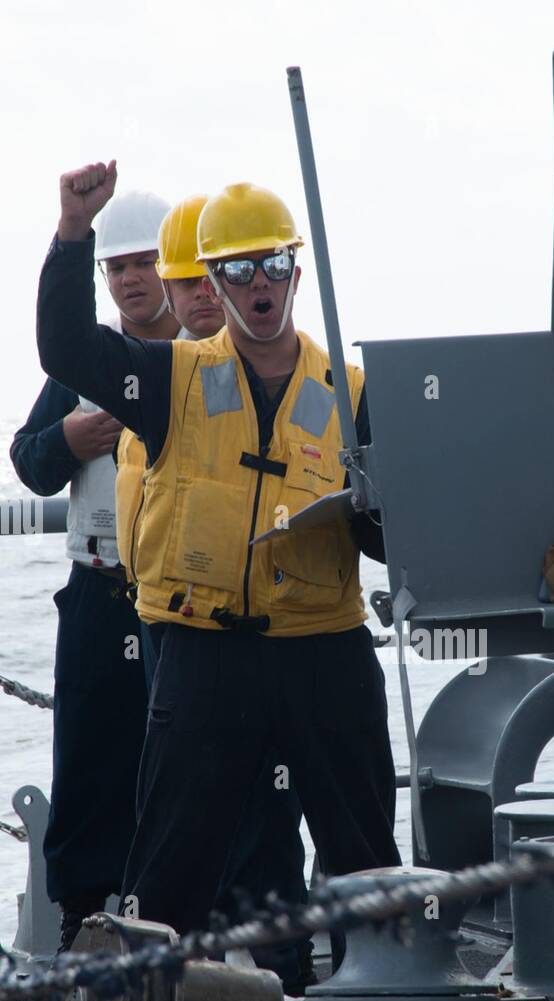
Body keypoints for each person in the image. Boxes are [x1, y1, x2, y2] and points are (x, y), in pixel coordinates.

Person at [37, 159, 400, 951]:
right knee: (172, 864)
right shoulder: (168, 376)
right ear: (213, 282)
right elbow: (66, 346)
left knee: (365, 857)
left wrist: (383, 508)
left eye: (272, 264)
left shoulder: (356, 392)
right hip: (204, 654)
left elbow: (393, 544)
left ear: (294, 273)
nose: (258, 283)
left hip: (324, 650)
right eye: (238, 270)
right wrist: (73, 233)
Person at [132, 194, 312, 991]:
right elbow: (37, 444)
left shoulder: (309, 377)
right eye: (210, 278)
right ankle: (174, 987)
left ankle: (284, 969)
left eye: (263, 266)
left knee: (269, 819)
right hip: (173, 626)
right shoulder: (159, 377)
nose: (216, 294)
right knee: (178, 816)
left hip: (283, 635)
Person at [12, 188, 178, 952]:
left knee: (185, 765)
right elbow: (29, 463)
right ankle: (79, 930)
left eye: (144, 262)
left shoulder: (199, 360)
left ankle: (190, 926)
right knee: (87, 765)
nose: (131, 280)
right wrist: (68, 440)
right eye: (116, 268)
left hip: (183, 599)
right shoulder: (81, 367)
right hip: (99, 592)